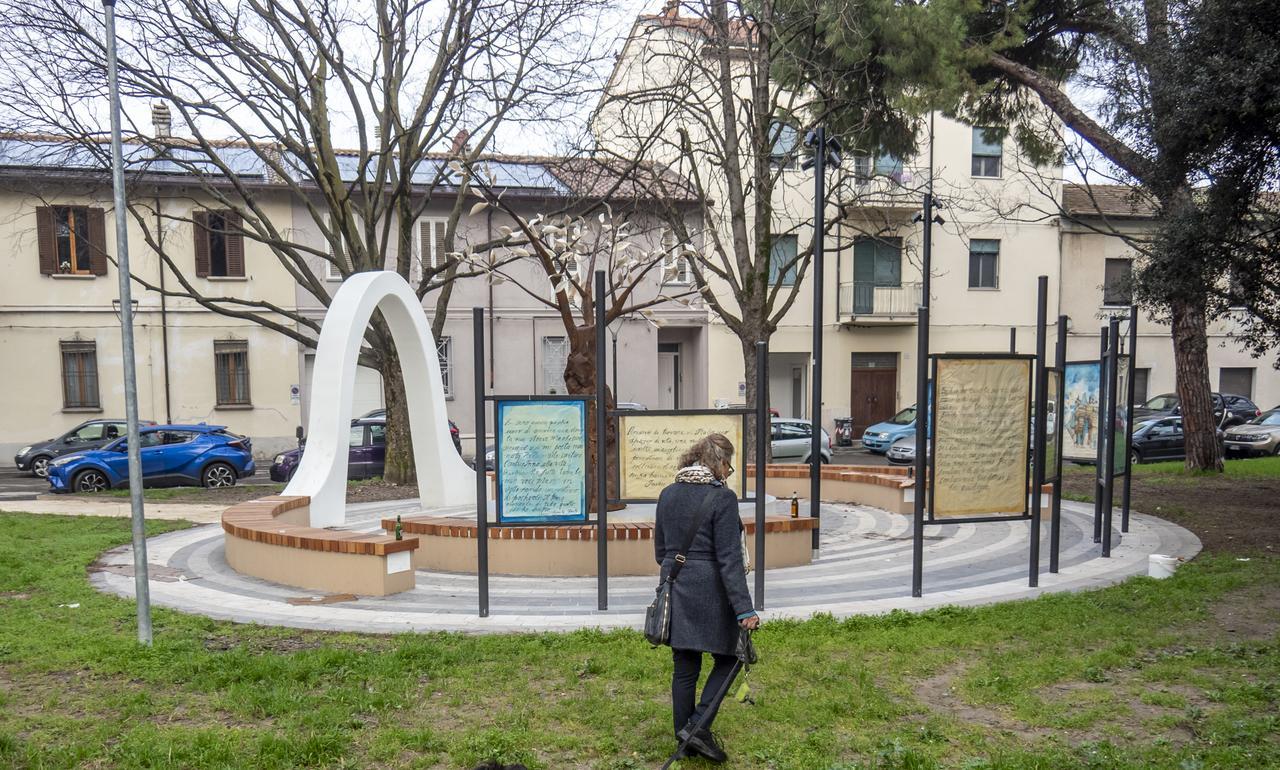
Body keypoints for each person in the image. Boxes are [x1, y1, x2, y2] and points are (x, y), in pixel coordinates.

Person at [654, 433, 759, 764]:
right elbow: (729, 558)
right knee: (730, 658)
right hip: (711, 591)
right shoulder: (722, 499)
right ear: (719, 462)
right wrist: (744, 609)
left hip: (675, 587)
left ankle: (683, 743)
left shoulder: (667, 494)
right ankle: (697, 729)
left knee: (685, 666)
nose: (728, 474)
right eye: (728, 466)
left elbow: (660, 551)